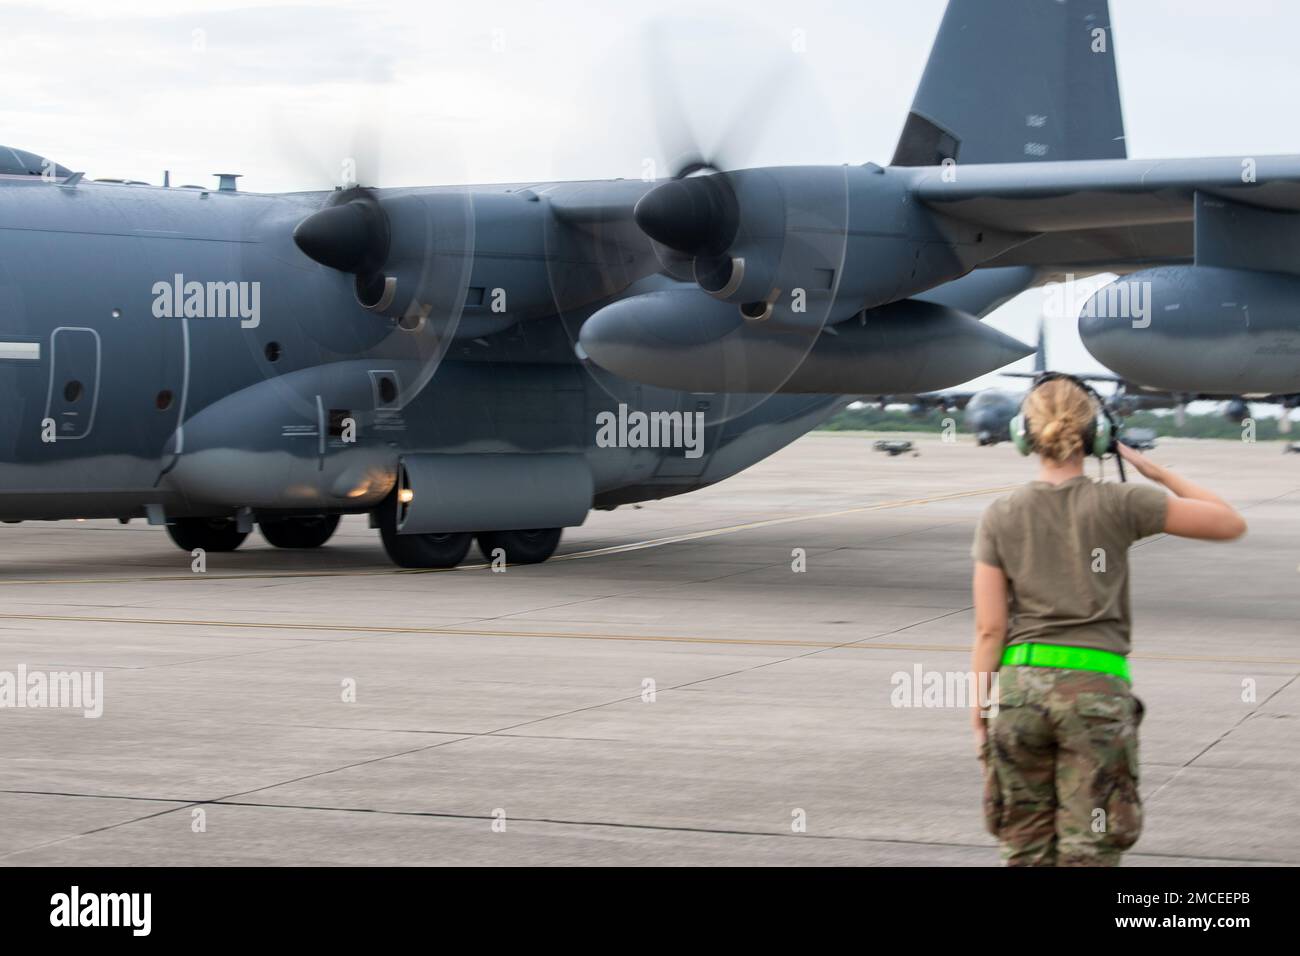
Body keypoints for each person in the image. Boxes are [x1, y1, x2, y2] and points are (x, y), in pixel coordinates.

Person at [970, 375, 1246, 866]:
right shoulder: (1122, 502)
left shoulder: (999, 514)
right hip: (1095, 695)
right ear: (1096, 436)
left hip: (1017, 697)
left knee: (1025, 848)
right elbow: (1229, 522)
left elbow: (990, 629)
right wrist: (1152, 471)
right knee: (1090, 850)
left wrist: (980, 710)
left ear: (1022, 435)